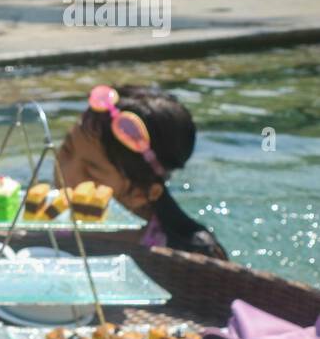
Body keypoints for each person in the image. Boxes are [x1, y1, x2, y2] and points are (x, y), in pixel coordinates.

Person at [56, 84, 228, 260]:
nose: (65, 171)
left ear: (141, 194)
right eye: (67, 150)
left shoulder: (185, 260)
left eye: (91, 172)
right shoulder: (47, 221)